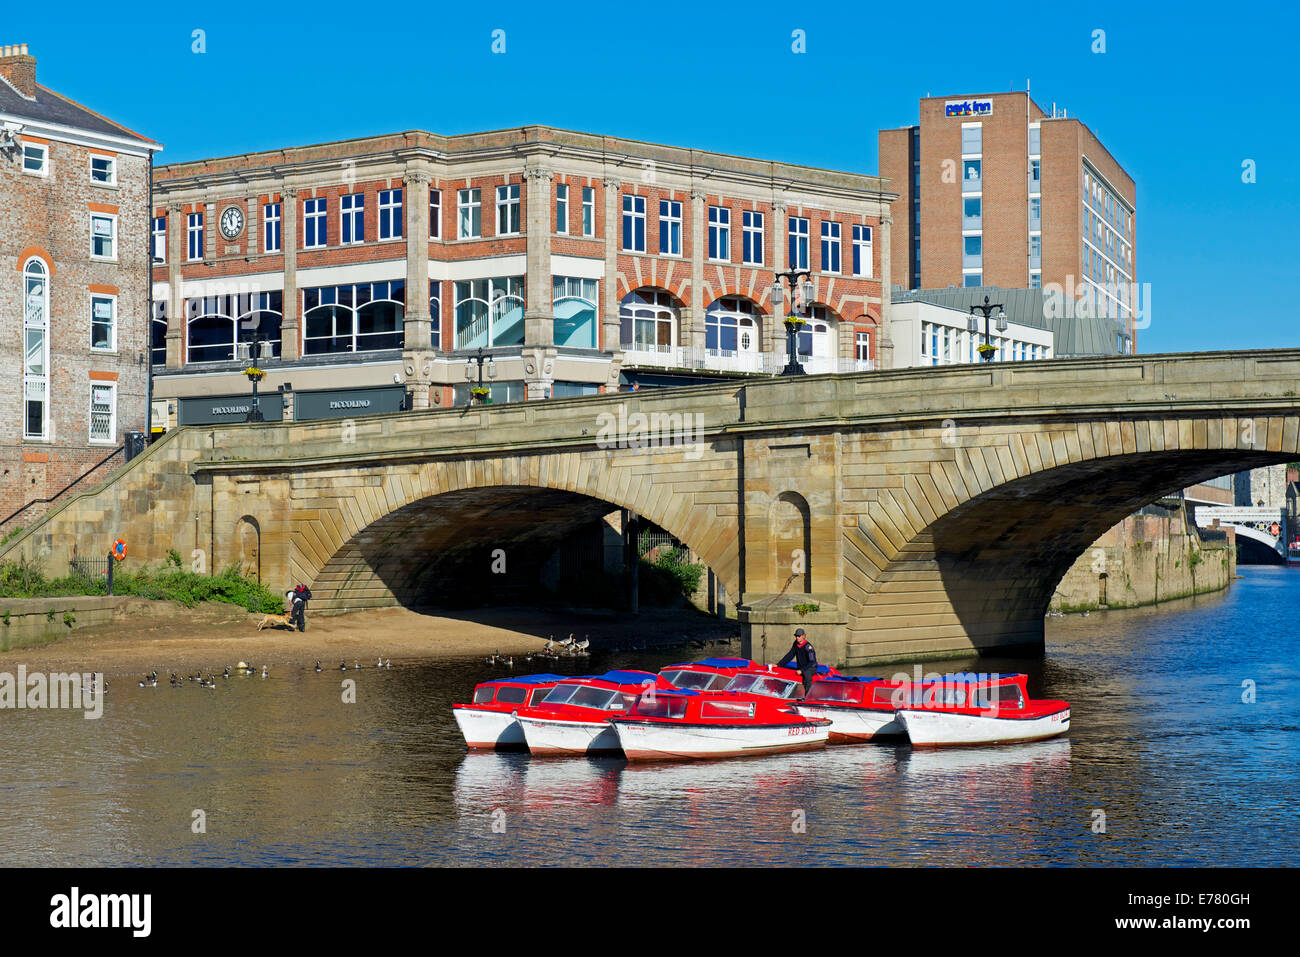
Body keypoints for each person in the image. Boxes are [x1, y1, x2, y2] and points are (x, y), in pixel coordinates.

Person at [778, 628, 818, 698]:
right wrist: (779, 664)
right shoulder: (795, 644)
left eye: (799, 636)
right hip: (801, 667)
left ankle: (808, 697)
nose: (797, 638)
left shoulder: (808, 647)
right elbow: (790, 655)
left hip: (810, 667)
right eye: (796, 636)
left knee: (807, 674)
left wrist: (802, 670)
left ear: (803, 636)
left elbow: (812, 662)